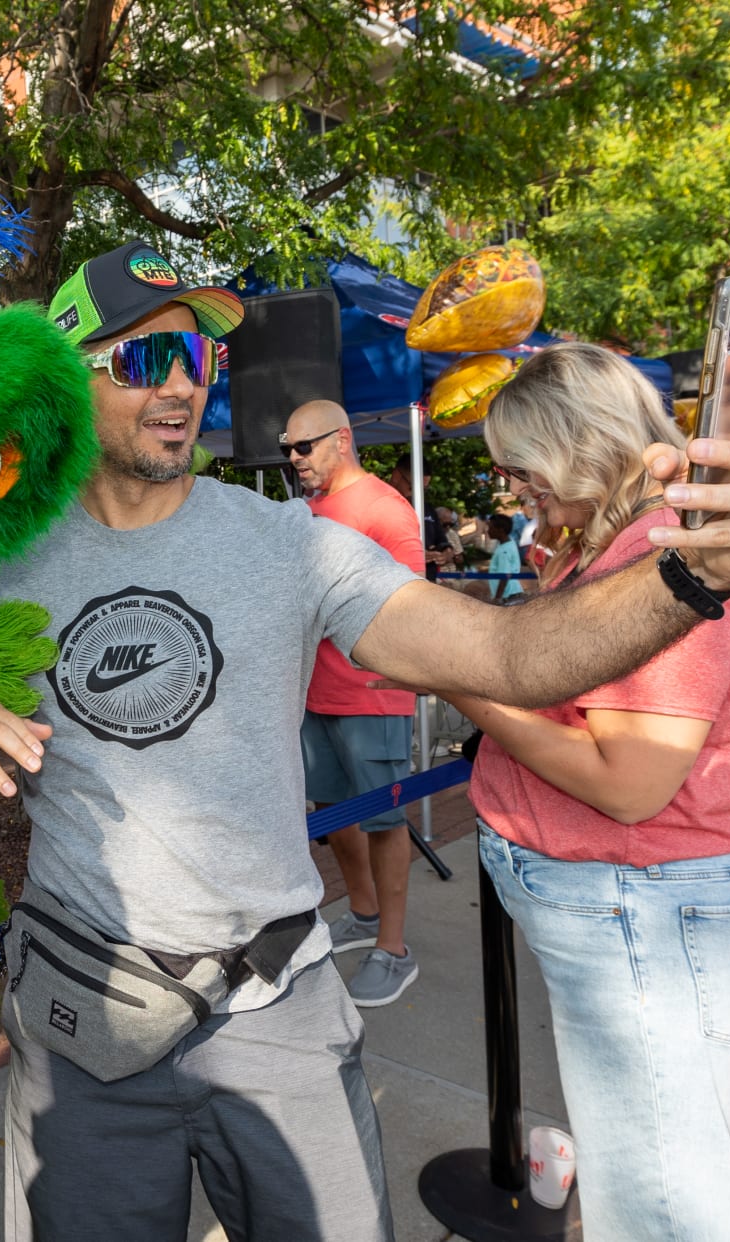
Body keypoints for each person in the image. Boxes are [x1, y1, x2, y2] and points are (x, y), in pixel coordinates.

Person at [0, 241, 730, 1240]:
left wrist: (697, 576)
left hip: (272, 1007)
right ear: (71, 375)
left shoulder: (292, 543)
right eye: (150, 361)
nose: (185, 386)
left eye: (205, 361)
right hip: (85, 1022)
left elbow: (506, 656)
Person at [435, 343, 730, 1241]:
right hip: (628, 909)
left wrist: (468, 682)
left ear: (581, 442)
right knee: (655, 1177)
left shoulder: (665, 560)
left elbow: (628, 783)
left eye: (522, 467)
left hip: (640, 911)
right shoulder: (618, 546)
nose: (513, 489)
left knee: (665, 1208)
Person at [282, 398, 426, 1008]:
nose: (294, 460)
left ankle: (393, 949)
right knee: (334, 812)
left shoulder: (384, 510)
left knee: (385, 820)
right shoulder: (307, 512)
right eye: (287, 450)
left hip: (371, 699)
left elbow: (412, 612)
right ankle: (364, 913)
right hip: (315, 695)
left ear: (341, 440)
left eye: (303, 447)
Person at [486, 513, 525, 599]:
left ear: (501, 530)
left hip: (508, 595)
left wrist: (497, 598)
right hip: (512, 593)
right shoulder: (509, 544)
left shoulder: (504, 551)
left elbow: (504, 576)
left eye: (490, 528)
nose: (488, 531)